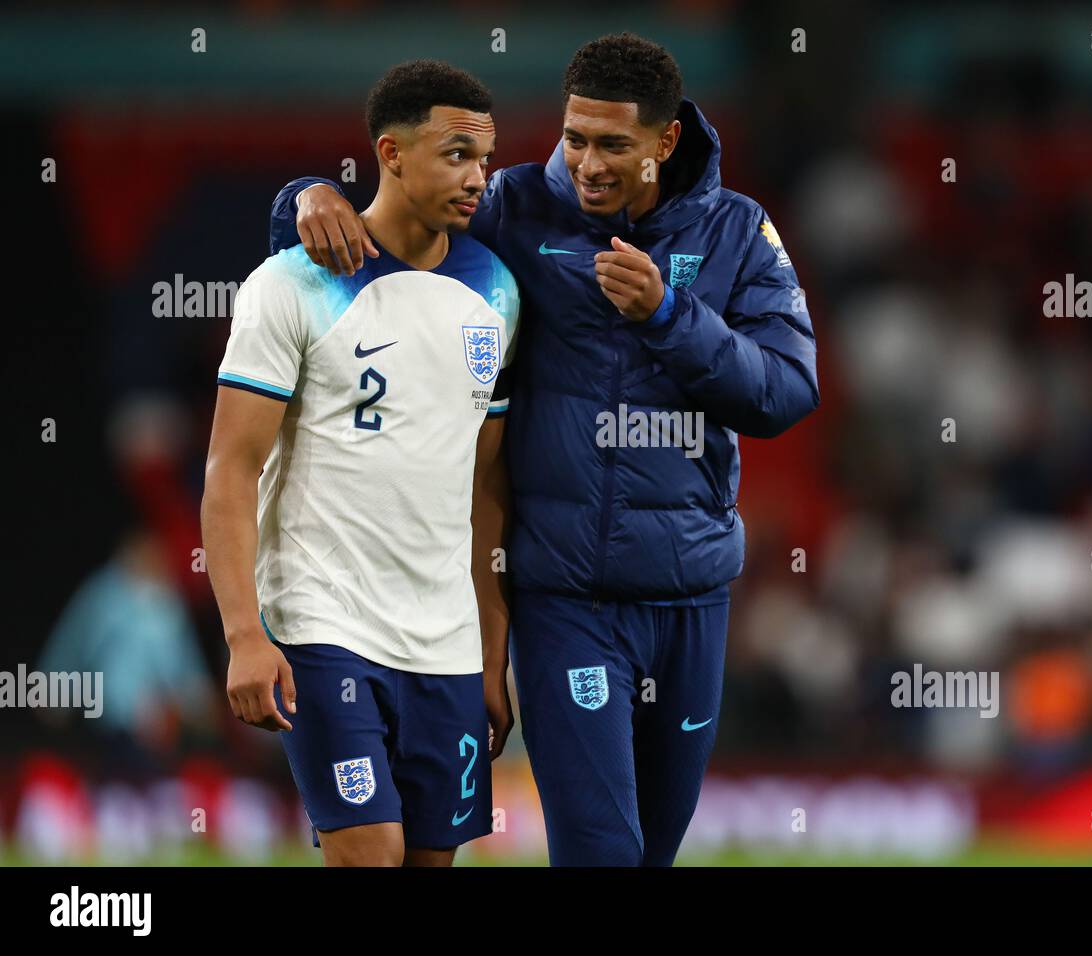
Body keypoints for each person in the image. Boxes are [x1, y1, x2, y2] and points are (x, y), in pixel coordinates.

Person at [270, 33, 818, 866]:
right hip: (566, 598)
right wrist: (305, 196)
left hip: (690, 597)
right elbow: (396, 214)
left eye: (613, 145)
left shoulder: (739, 232)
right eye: (574, 138)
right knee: (601, 853)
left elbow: (785, 391)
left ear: (665, 142)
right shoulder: (515, 211)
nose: (587, 163)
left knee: (648, 854)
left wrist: (670, 315)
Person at [203, 60, 519, 867]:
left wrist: (490, 649)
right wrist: (245, 633)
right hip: (323, 623)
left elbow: (485, 489)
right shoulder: (292, 283)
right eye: (456, 155)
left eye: (484, 158)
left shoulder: (499, 292)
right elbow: (231, 468)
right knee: (369, 852)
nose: (477, 177)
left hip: (443, 645)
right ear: (392, 153)